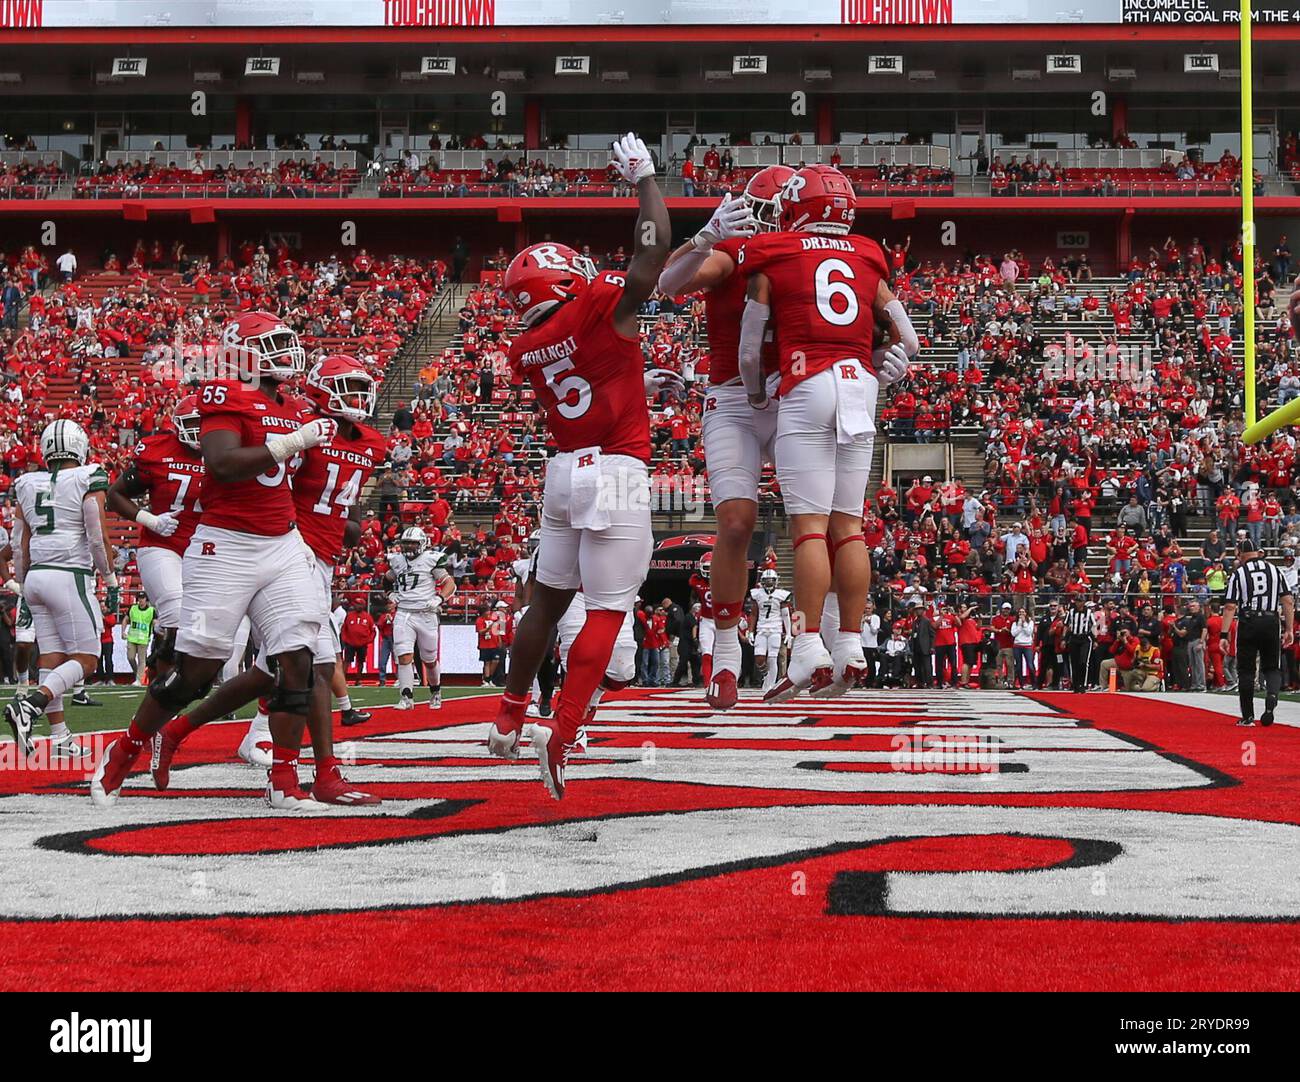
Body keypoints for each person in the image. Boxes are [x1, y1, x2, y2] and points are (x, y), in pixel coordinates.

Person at [88, 311, 337, 810]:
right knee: (197, 669)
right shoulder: (223, 392)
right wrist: (294, 442)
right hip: (224, 545)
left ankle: (285, 781)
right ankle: (126, 750)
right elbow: (222, 462)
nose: (286, 353)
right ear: (243, 352)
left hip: (282, 543)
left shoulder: (290, 402)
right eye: (274, 343)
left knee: (297, 659)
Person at [487, 132, 672, 801]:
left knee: (546, 601)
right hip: (617, 469)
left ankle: (508, 715)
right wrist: (645, 179)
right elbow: (651, 255)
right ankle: (561, 734)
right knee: (607, 610)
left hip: (563, 471)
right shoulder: (595, 305)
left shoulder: (523, 345)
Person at [146, 353, 385, 804]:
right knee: (313, 663)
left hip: (323, 555)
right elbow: (266, 480)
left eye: (360, 389)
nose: (357, 399)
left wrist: (349, 525)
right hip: (286, 551)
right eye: (348, 388)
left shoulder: (371, 441)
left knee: (268, 673)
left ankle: (177, 730)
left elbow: (347, 510)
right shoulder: (301, 426)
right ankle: (322, 773)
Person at [738, 164, 911, 700]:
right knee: (850, 528)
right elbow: (908, 338)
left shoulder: (774, 253)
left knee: (809, 528)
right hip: (860, 384)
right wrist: (888, 360)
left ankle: (810, 646)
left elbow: (748, 350)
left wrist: (757, 395)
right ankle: (852, 644)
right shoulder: (867, 253)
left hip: (807, 382)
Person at [656, 168, 786, 707]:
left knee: (817, 518)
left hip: (794, 392)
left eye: (778, 209)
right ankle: (727, 657)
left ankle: (816, 649)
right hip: (735, 395)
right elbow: (668, 285)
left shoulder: (825, 255)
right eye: (764, 209)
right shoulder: (736, 253)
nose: (770, 220)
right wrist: (704, 236)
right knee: (735, 522)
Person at [3, 420, 116, 759]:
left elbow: (19, 542)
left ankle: (60, 737)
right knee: (87, 658)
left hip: (36, 575)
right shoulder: (87, 476)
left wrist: (23, 585)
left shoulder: (26, 482)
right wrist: (109, 578)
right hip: (69, 574)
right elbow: (96, 534)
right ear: (79, 446)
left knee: (51, 658)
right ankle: (31, 705)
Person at [107, 395, 204, 683]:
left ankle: (170, 669)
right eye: (192, 425)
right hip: (162, 543)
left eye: (204, 425)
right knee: (176, 613)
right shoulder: (159, 450)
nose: (198, 432)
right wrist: (149, 519)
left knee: (211, 627)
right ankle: (163, 684)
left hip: (205, 548)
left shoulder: (225, 451)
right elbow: (115, 495)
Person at [1221, 540, 1294, 726]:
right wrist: (1289, 629)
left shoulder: (1239, 573)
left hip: (1248, 620)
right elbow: (1288, 601)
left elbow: (1230, 606)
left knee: (1246, 670)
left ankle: (1248, 717)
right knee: (1271, 667)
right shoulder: (1275, 570)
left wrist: (1224, 634)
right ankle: (1271, 698)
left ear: (1241, 554)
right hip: (1271, 620)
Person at [389, 525, 455, 708]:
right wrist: (389, 594)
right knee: (403, 656)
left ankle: (435, 691)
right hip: (404, 612)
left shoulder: (431, 559)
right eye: (406, 543)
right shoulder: (396, 560)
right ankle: (406, 697)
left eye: (413, 543)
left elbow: (449, 583)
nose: (409, 547)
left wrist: (439, 598)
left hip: (426, 613)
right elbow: (387, 578)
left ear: (423, 543)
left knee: (429, 660)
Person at [749, 568, 791, 695]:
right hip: (761, 629)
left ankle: (770, 686)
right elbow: (754, 614)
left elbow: (785, 615)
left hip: (775, 629)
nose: (769, 584)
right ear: (762, 582)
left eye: (771, 581)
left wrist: (788, 632)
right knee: (759, 658)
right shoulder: (757, 594)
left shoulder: (781, 594)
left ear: (776, 581)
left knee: (772, 658)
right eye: (766, 581)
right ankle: (766, 675)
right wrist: (750, 631)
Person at [124, 593, 155, 684]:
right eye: (139, 598)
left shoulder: (151, 610)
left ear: (146, 600)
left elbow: (155, 622)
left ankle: (139, 679)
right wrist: (123, 631)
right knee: (130, 657)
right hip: (132, 637)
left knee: (142, 660)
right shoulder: (133, 608)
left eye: (143, 598)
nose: (141, 600)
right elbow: (126, 619)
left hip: (143, 639)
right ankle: (138, 672)